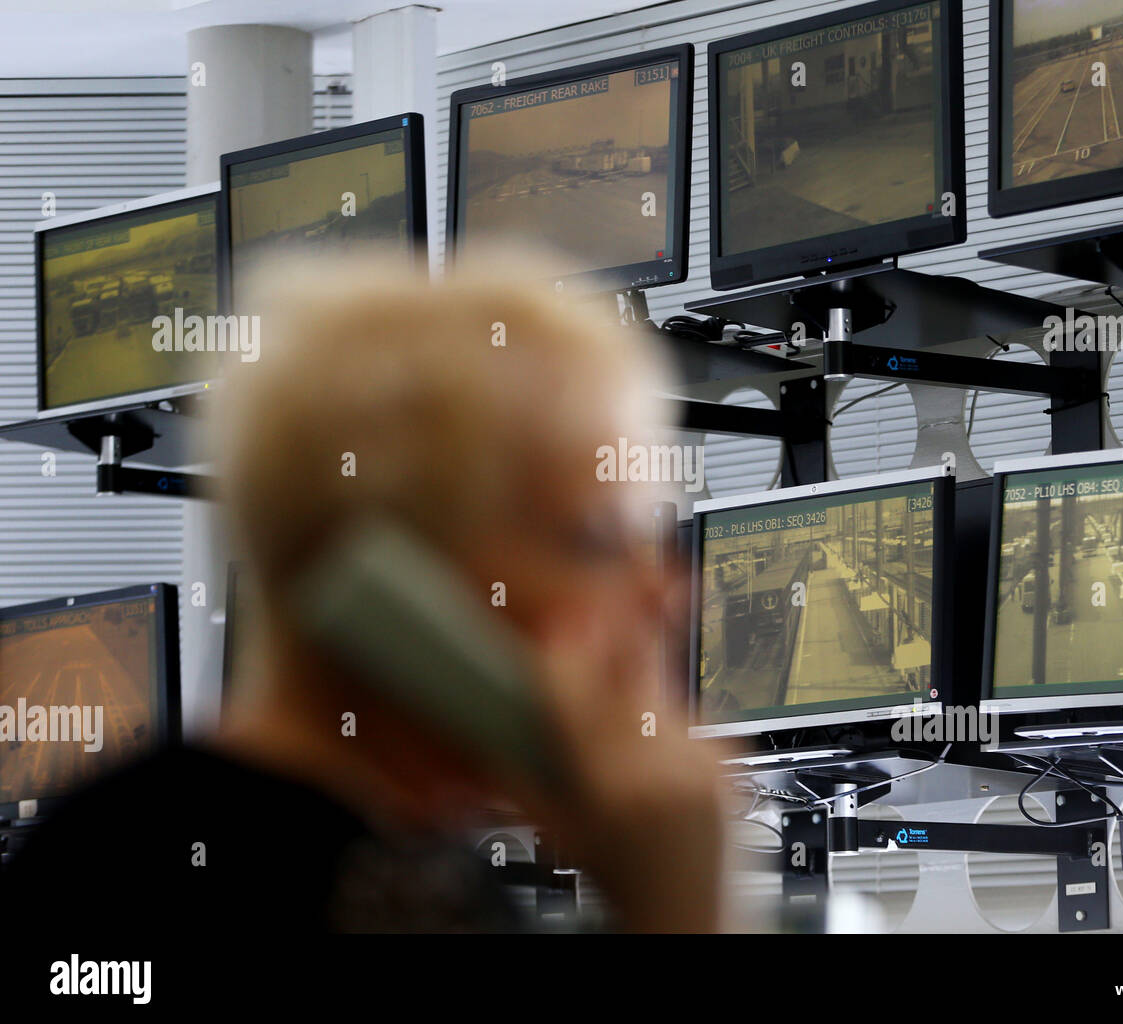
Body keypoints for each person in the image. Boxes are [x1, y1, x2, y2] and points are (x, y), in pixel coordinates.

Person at [6, 254, 727, 933]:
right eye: (595, 538)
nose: (664, 595)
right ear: (387, 576)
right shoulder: (126, 875)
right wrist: (676, 910)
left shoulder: (431, 876)